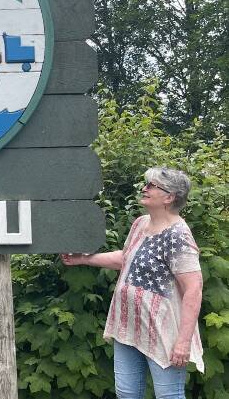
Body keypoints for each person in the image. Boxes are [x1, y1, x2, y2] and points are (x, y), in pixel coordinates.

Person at [61, 167, 203, 399]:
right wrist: (83, 259)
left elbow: (194, 289)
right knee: (126, 394)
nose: (144, 188)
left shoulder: (178, 235)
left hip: (163, 333)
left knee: (168, 396)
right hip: (128, 326)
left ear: (169, 197)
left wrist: (183, 341)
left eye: (151, 186)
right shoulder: (141, 223)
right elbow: (126, 258)